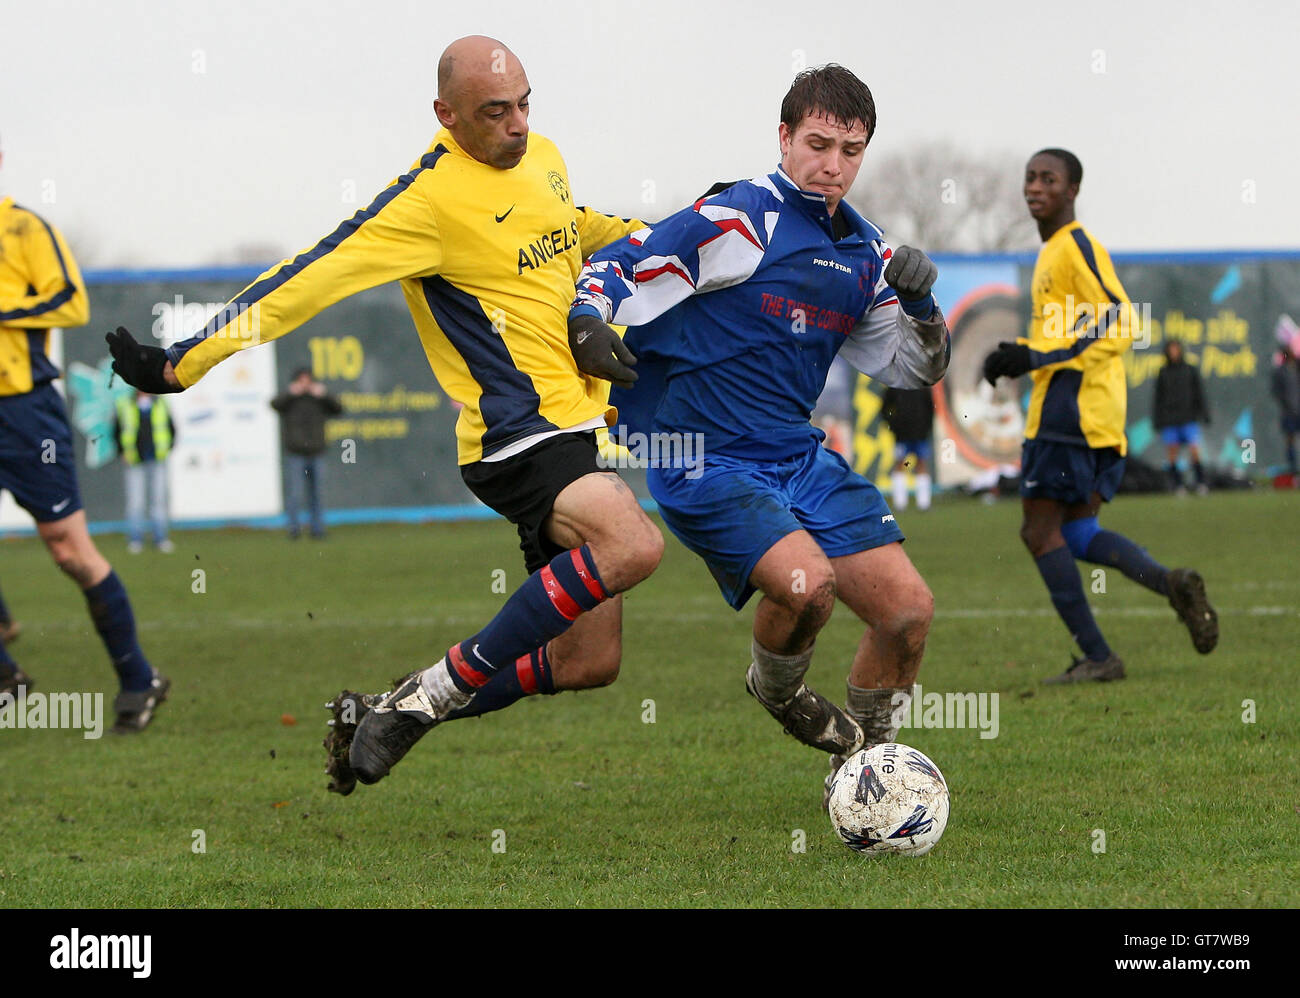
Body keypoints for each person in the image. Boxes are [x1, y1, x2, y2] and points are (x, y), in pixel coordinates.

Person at [105, 35, 662, 793]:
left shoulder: (545, 156)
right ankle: (428, 696)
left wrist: (684, 236)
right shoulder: (423, 201)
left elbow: (580, 227)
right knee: (634, 544)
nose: (518, 124)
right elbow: (307, 277)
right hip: (517, 437)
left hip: (580, 428)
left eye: (525, 104)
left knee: (587, 663)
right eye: (495, 111)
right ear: (446, 114)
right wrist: (184, 360)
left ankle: (394, 706)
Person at [569, 65, 949, 806]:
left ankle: (871, 776)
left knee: (907, 614)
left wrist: (924, 307)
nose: (832, 165)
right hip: (704, 461)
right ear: (783, 136)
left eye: (851, 149)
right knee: (810, 588)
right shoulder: (742, 217)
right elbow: (624, 258)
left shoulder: (866, 255)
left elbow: (910, 369)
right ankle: (779, 693)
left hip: (797, 457)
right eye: (817, 143)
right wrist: (590, 317)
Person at [982, 148, 1218, 683]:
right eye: (1030, 177)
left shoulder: (1075, 246)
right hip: (1090, 416)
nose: (1034, 187)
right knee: (1079, 529)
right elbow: (1069, 333)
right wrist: (1020, 352)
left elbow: (1119, 317)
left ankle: (1098, 656)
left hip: (1073, 416)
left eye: (1048, 178)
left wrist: (1037, 357)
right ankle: (1171, 584)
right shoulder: (1050, 254)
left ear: (1072, 191)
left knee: (1039, 533)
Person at [0, 149, 169, 727]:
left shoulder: (23, 227)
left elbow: (71, 301)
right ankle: (5, 675)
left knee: (68, 550)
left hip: (21, 410)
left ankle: (138, 679)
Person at [271, 367, 342, 539]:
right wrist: (290, 393)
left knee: (317, 494)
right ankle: (294, 530)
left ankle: (317, 530)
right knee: (295, 494)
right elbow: (274, 404)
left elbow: (338, 409)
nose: (304, 384)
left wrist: (324, 395)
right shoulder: (291, 399)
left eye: (307, 380)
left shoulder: (318, 398)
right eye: (301, 380)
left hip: (316, 452)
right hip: (296, 453)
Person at [114, 390, 176, 551]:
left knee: (159, 500)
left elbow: (171, 428)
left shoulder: (160, 402)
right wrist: (122, 452)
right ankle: (135, 539)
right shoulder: (125, 404)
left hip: (157, 458)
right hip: (134, 459)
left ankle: (160, 538)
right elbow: (116, 430)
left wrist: (168, 448)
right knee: (136, 502)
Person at [1153, 339, 1210, 494]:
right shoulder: (1163, 372)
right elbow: (1158, 398)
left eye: (1176, 349)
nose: (1173, 352)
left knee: (1194, 450)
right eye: (1171, 349)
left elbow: (1199, 393)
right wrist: (1157, 420)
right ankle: (1177, 485)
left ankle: (1200, 482)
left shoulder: (1190, 370)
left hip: (1188, 417)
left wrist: (1204, 413)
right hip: (1170, 419)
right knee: (1172, 453)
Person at [882, 386, 936, 511]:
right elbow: (885, 408)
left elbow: (930, 409)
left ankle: (924, 503)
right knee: (900, 464)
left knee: (921, 464)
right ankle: (900, 503)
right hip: (901, 435)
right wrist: (893, 425)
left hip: (920, 434)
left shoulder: (921, 387)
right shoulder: (894, 387)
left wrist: (926, 427)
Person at [1272, 342, 1300, 476]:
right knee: (1290, 440)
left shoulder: (1297, 367)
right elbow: (1276, 392)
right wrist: (1286, 404)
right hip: (1289, 412)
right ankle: (1293, 469)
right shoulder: (1280, 371)